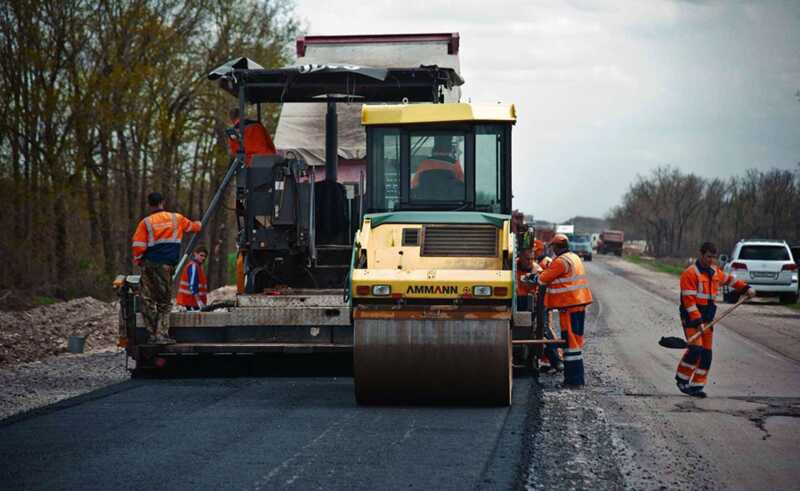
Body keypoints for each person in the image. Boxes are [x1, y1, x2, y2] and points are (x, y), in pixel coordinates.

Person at [676, 242, 755, 398]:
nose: (711, 260)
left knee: (706, 354)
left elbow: (731, 280)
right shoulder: (690, 274)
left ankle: (697, 386)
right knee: (695, 349)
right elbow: (689, 302)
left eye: (713, 257)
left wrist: (746, 288)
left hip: (708, 319)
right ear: (701, 254)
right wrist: (698, 322)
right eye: (708, 257)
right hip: (692, 318)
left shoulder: (714, 271)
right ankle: (682, 380)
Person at [131, 192, 202, 344]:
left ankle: (152, 335)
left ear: (149, 204)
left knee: (147, 300)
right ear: (163, 202)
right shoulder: (177, 218)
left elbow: (138, 245)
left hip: (148, 264)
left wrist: (139, 261)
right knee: (164, 302)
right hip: (165, 265)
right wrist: (199, 225)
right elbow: (194, 227)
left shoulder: (146, 223)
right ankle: (161, 335)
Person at [531, 233, 593, 386]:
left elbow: (542, 279)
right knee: (576, 343)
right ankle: (576, 380)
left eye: (554, 247)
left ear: (558, 247)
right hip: (578, 303)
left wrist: (530, 278)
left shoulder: (561, 262)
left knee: (571, 345)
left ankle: (573, 381)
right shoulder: (574, 257)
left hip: (569, 305)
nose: (553, 251)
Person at [177, 246, 209, 311]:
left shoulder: (197, 267)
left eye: (205, 256)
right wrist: (199, 301)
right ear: (195, 254)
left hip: (192, 302)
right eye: (201, 255)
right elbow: (193, 285)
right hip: (191, 302)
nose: (203, 258)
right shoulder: (194, 266)